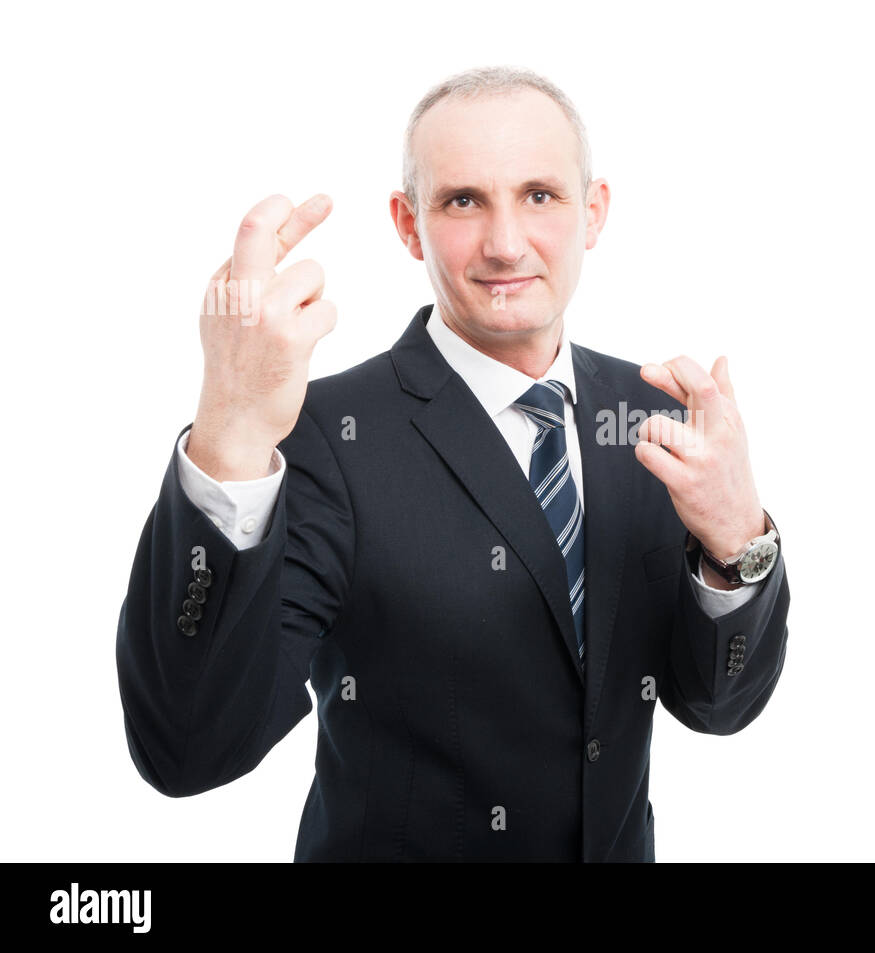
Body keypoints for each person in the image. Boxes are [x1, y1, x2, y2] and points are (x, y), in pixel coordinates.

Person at [116, 65, 791, 862]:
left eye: (540, 194)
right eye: (463, 201)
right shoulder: (327, 435)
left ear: (594, 212)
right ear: (408, 225)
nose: (506, 244)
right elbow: (188, 745)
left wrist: (736, 541)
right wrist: (228, 438)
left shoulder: (652, 418)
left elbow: (719, 704)